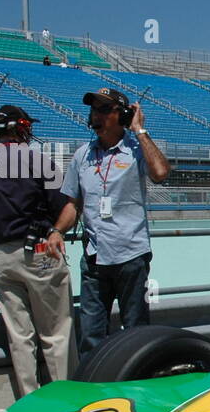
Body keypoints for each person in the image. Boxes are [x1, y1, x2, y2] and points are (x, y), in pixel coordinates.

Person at [0, 104, 78, 397]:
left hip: (1, 257)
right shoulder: (39, 161)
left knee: (19, 337)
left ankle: (29, 402)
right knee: (56, 334)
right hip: (40, 252)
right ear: (22, 128)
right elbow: (64, 207)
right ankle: (64, 401)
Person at [61, 87, 170, 357]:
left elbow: (160, 173)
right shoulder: (82, 155)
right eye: (93, 109)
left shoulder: (136, 150)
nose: (95, 115)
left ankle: (136, 387)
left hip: (131, 256)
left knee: (136, 330)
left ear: (120, 116)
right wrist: (55, 231)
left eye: (102, 109)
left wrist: (139, 130)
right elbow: (73, 203)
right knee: (90, 333)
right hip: (94, 257)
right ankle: (94, 390)